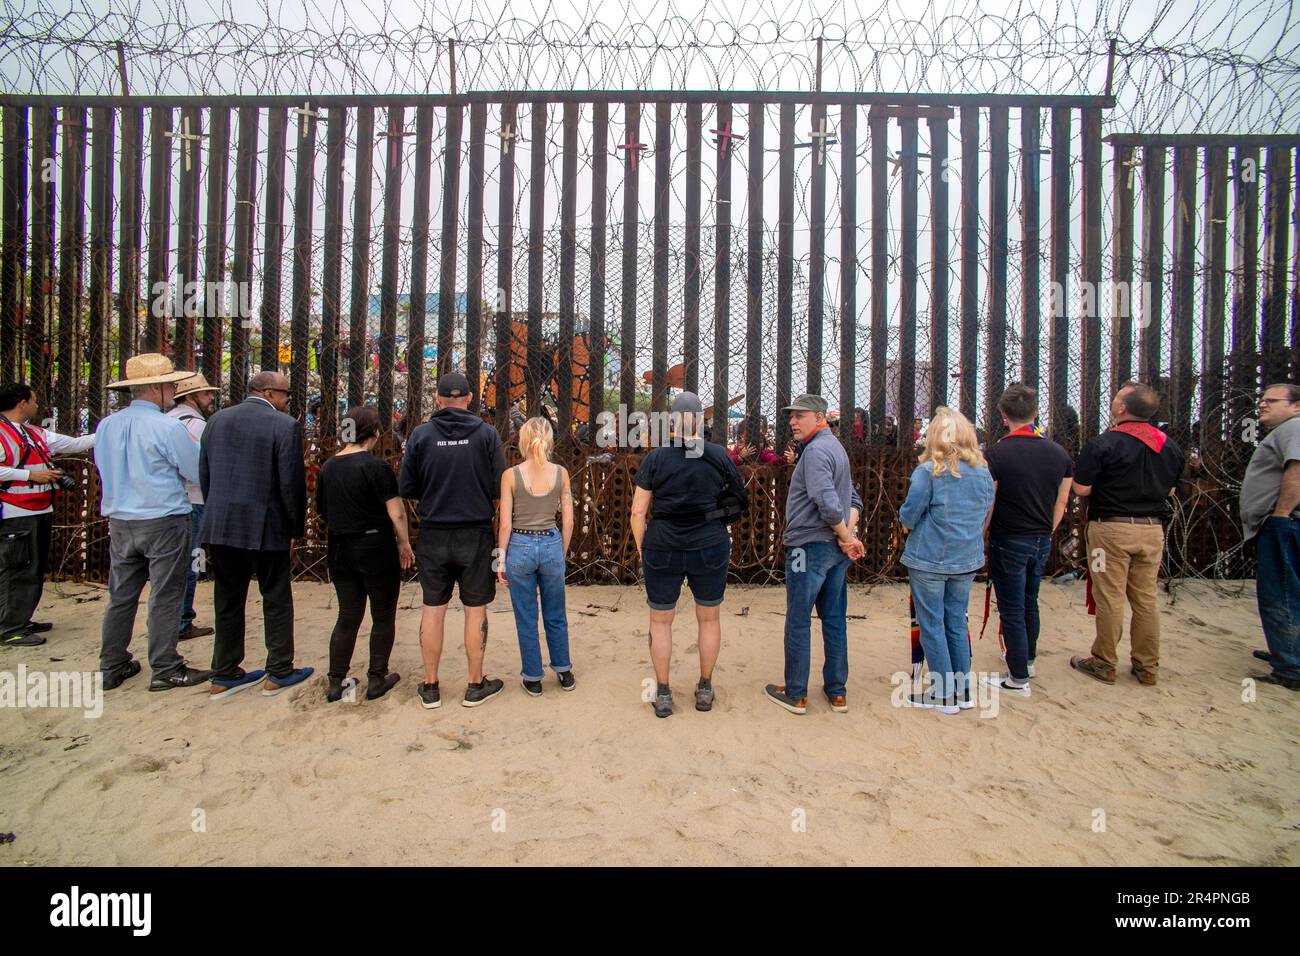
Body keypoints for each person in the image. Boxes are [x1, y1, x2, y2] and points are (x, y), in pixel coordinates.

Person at [94, 354, 212, 691]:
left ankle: (112, 663)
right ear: (158, 388)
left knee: (121, 594)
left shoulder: (107, 425)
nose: (174, 391)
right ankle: (165, 666)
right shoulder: (168, 427)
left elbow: (102, 466)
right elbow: (194, 471)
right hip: (164, 518)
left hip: (120, 520)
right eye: (171, 386)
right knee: (166, 592)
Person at [631, 392, 746, 718]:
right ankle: (705, 687)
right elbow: (735, 500)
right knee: (709, 617)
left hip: (663, 545)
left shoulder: (657, 458)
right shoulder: (718, 455)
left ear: (671, 420)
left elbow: (638, 512)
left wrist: (644, 549)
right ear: (703, 420)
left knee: (660, 620)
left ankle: (664, 692)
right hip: (709, 544)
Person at [201, 370, 313, 700]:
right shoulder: (284, 426)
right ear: (267, 393)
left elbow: (205, 473)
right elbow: (290, 483)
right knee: (276, 597)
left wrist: (215, 514)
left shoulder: (217, 421)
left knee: (227, 598)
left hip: (222, 524)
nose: (287, 400)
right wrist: (295, 528)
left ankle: (224, 672)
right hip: (267, 525)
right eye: (285, 394)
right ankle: (279, 670)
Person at [399, 371, 508, 709]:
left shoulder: (420, 435)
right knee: (476, 609)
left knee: (433, 608)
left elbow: (407, 487)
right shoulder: (487, 435)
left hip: (433, 532)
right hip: (475, 532)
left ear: (438, 399)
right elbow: (498, 488)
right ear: (470, 399)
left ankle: (430, 686)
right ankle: (475, 684)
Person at [1069, 381, 1184, 686]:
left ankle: (1104, 661)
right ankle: (1147, 666)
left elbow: (1081, 488)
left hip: (1111, 527)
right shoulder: (1169, 446)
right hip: (1152, 529)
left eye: (1117, 398)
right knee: (1146, 598)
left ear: (1122, 408)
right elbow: (1171, 489)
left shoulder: (1104, 443)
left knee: (1109, 595)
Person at [764, 393, 864, 716]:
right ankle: (837, 692)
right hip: (834, 551)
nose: (792, 421)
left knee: (798, 619)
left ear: (819, 418)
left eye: (800, 416)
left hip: (808, 548)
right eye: (792, 416)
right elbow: (851, 498)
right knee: (834, 619)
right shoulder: (836, 449)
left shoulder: (816, 451)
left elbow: (827, 502)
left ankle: (796, 693)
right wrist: (847, 538)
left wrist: (846, 536)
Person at [897, 406, 994, 714]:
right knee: (955, 620)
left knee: (931, 623)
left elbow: (911, 513)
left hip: (930, 558)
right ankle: (962, 688)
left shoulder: (929, 471)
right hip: (965, 558)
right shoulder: (982, 471)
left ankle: (942, 692)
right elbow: (984, 510)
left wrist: (905, 524)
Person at [979, 384, 1073, 698]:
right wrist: (1047, 529)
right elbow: (1061, 501)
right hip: (1040, 538)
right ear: (1035, 413)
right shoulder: (1059, 453)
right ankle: (1028, 660)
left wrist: (983, 533)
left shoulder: (996, 454)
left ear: (1003, 415)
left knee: (1011, 608)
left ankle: (1018, 678)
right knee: (1030, 601)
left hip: (1009, 537)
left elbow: (989, 500)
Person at [317, 405, 414, 703]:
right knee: (382, 614)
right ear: (373, 433)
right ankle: (377, 677)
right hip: (375, 546)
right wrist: (404, 542)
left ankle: (337, 681)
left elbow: (322, 510)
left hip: (341, 547)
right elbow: (396, 511)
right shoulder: (376, 467)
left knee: (347, 615)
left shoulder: (329, 467)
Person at [0, 383, 95, 646]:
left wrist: (113, 427)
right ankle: (9, 628)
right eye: (34, 400)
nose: (37, 404)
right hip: (14, 511)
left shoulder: (32, 433)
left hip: (39, 507)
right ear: (22, 403)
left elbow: (77, 444)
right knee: (17, 568)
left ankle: (21, 617)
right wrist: (31, 475)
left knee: (34, 567)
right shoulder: (2, 433)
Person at [496, 416, 576, 696]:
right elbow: (568, 522)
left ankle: (533, 677)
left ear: (523, 440)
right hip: (551, 541)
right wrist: (560, 552)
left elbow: (504, 523)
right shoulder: (561, 473)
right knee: (556, 612)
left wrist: (500, 560)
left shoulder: (511, 475)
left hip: (520, 544)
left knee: (526, 615)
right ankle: (563, 669)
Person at [1238, 383, 1300, 690]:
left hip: (1285, 523)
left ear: (1296, 406)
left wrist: (1281, 515)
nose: (1262, 405)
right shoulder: (1286, 431)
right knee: (1287, 588)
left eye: (1272, 401)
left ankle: (1290, 667)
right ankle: (1287, 650)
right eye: (1262, 400)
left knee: (1281, 592)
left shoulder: (1295, 428)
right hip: (1285, 522)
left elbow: (1296, 470)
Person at [166, 372, 219, 642]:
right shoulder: (196, 425)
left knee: (175, 562)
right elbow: (200, 467)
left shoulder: (168, 420)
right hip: (193, 500)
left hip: (171, 501)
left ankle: (173, 619)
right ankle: (183, 620)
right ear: (191, 396)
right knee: (191, 561)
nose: (211, 398)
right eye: (206, 393)